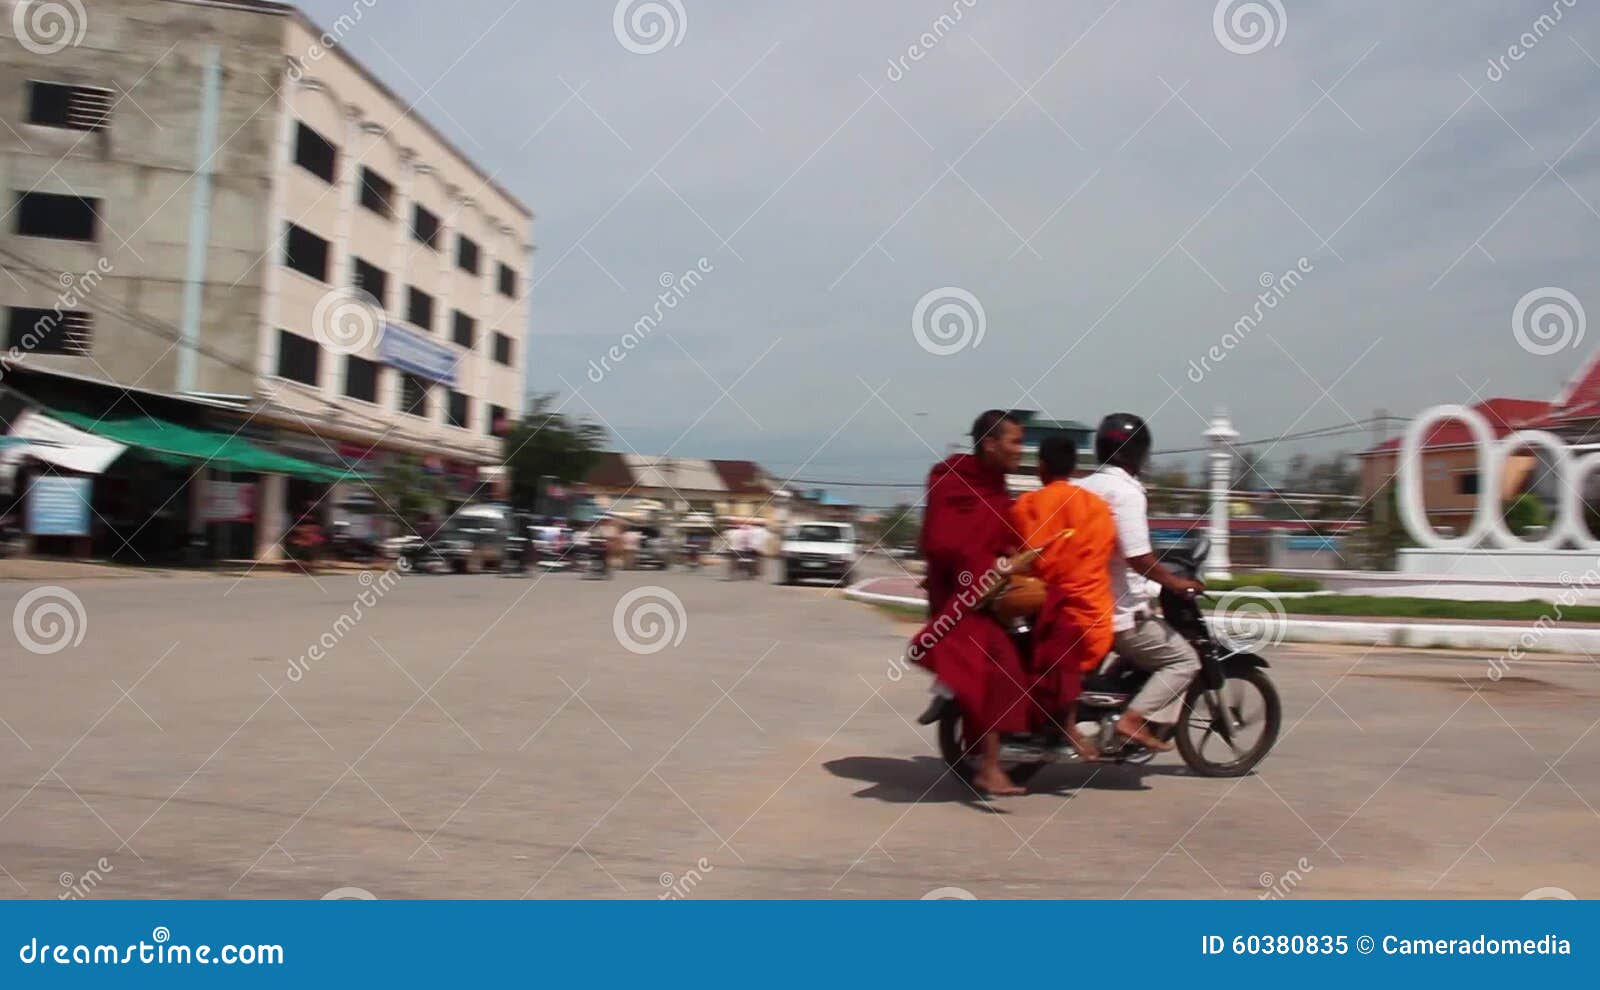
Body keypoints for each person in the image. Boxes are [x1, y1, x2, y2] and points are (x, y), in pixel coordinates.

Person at [911, 409, 1031, 796]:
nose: (1020, 450)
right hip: (960, 602)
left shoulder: (996, 486)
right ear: (990, 444)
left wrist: (1018, 558)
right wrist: (984, 571)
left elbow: (1003, 533)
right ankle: (990, 767)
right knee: (997, 667)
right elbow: (938, 541)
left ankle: (1019, 748)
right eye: (1014, 442)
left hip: (989, 594)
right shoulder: (951, 480)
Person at [1076, 413, 1205, 752]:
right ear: (1135, 454)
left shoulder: (1081, 486)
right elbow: (1137, 557)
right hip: (1115, 613)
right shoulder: (1126, 493)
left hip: (1080, 603)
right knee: (1185, 660)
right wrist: (1174, 583)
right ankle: (1131, 721)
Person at [1009, 433, 1116, 761]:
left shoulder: (1027, 505)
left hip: (1049, 613)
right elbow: (1105, 552)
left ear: (1040, 466)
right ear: (1075, 468)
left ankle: (1063, 723)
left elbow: (1019, 556)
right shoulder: (1096, 507)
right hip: (1095, 620)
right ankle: (1064, 725)